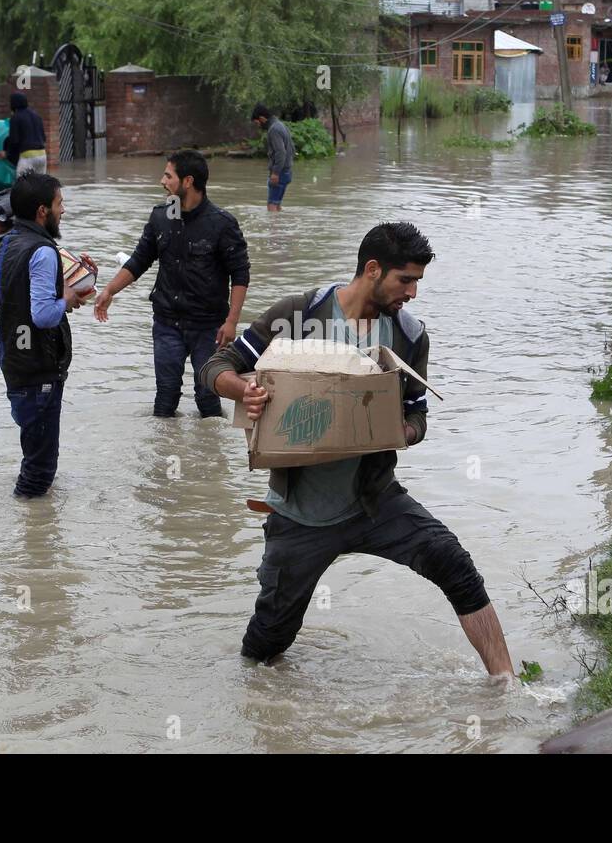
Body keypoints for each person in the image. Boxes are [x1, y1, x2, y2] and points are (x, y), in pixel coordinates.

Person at [199, 223, 514, 676]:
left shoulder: (408, 335)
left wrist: (402, 431)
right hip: (299, 512)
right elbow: (217, 366)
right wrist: (240, 392)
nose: (413, 293)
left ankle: (505, 683)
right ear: (372, 269)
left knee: (453, 562)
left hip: (374, 500)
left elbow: (418, 415)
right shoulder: (298, 316)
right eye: (406, 280)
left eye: (417, 282)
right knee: (266, 646)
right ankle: (259, 701)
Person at [93, 150, 250, 419]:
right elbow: (139, 260)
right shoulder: (160, 218)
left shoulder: (222, 224)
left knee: (208, 398)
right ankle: (164, 454)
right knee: (165, 397)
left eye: (168, 175)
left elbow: (240, 274)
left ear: (187, 181)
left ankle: (211, 456)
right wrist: (109, 290)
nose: (162, 181)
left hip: (208, 326)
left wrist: (232, 322)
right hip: (167, 322)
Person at [0, 172, 97, 498]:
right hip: (39, 370)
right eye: (59, 203)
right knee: (39, 472)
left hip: (15, 361)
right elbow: (43, 315)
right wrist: (67, 298)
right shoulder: (43, 251)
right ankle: (34, 541)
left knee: (33, 453)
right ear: (42, 211)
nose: (63, 210)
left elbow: (16, 300)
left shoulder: (5, 244)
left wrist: (77, 282)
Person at [250, 103, 294, 211]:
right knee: (277, 205)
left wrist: (275, 172)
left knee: (271, 206)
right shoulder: (281, 125)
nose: (258, 126)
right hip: (286, 171)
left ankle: (273, 228)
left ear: (261, 118)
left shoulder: (273, 129)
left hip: (279, 173)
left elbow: (280, 152)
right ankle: (280, 226)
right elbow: (292, 149)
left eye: (257, 123)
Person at [0, 92, 47, 176]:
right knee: (40, 185)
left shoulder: (15, 117)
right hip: (42, 155)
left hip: (28, 157)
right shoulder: (36, 116)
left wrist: (7, 153)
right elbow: (44, 138)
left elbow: (14, 140)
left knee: (22, 186)